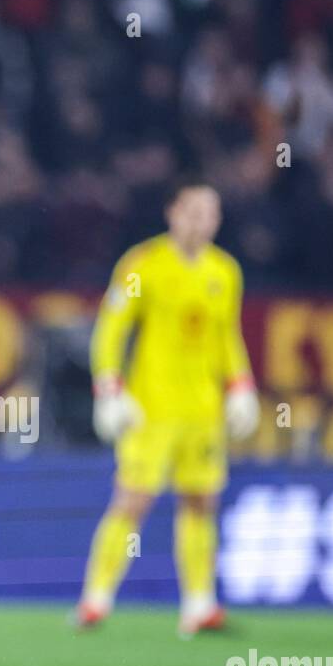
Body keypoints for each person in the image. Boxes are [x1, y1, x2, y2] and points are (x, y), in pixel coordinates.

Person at [75, 181, 258, 636]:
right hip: (151, 408)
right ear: (173, 211)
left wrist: (240, 387)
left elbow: (227, 338)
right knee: (133, 500)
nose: (202, 220)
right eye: (193, 210)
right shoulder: (143, 264)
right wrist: (109, 389)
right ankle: (95, 598)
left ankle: (199, 605)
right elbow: (111, 329)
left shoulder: (225, 270)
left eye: (210, 213)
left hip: (203, 411)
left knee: (202, 502)